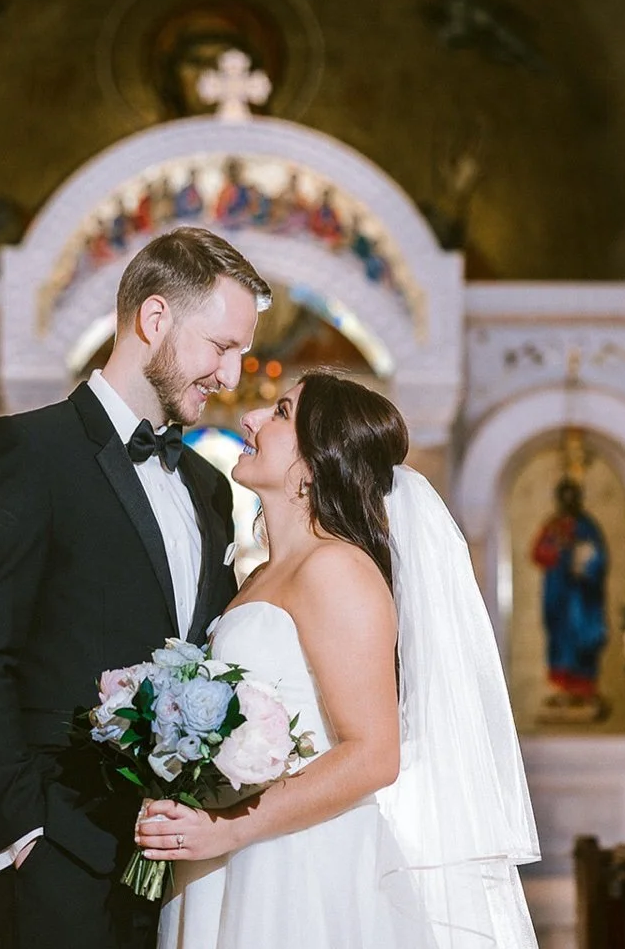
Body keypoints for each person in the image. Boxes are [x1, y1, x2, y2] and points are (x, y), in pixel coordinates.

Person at [0, 225, 269, 949]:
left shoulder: (210, 490)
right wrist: (22, 831)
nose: (232, 376)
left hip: (177, 859)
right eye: (222, 347)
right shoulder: (25, 452)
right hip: (56, 851)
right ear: (155, 320)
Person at [142, 372, 539, 948]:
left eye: (279, 413)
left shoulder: (337, 570)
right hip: (229, 853)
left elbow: (374, 754)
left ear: (316, 462)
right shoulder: (259, 577)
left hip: (296, 865)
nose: (249, 420)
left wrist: (229, 828)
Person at [531, 477, 608, 711]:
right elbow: (538, 554)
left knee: (583, 639)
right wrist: (558, 551)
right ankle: (563, 691)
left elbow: (600, 559)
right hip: (558, 595)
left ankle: (585, 691)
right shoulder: (552, 526)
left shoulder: (588, 527)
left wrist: (585, 563)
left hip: (583, 597)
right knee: (560, 640)